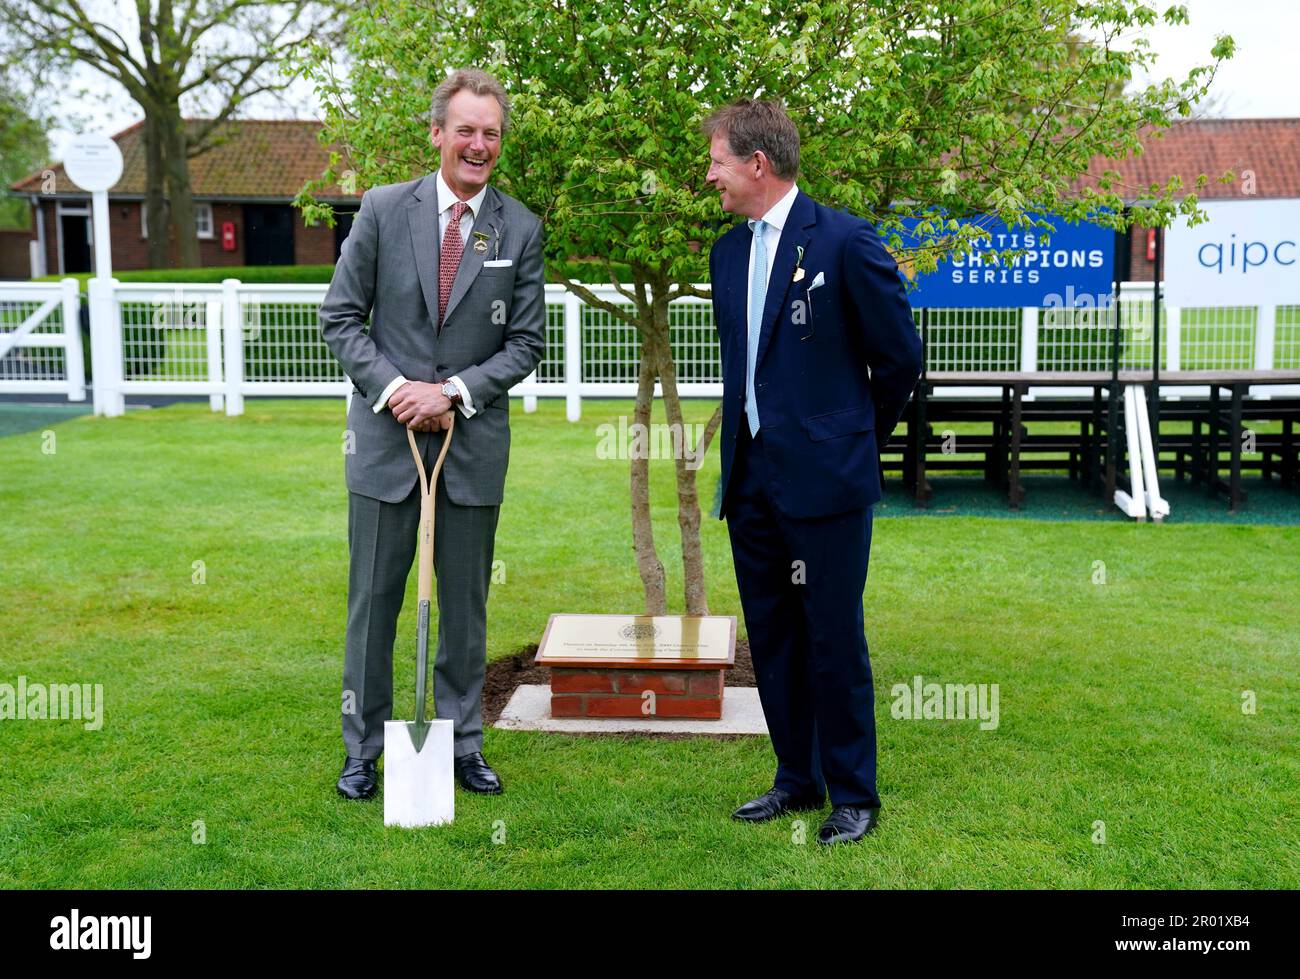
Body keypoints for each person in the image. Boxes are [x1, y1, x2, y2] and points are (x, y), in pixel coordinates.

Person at [319, 68, 545, 800]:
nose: (479, 146)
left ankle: (460, 745)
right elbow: (342, 318)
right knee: (372, 604)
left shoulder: (520, 228)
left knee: (467, 606)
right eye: (467, 130)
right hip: (386, 446)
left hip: (470, 444)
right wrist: (397, 392)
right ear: (438, 133)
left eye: (492, 134)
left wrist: (452, 393)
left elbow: (526, 344)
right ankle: (363, 750)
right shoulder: (384, 211)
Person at [702, 99, 923, 844]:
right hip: (752, 479)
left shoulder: (846, 243)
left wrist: (853, 438)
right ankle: (796, 778)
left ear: (757, 165)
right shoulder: (727, 254)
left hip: (827, 482)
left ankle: (854, 794)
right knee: (772, 635)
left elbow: (899, 360)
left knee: (832, 635)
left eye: (718, 162)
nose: (711, 176)